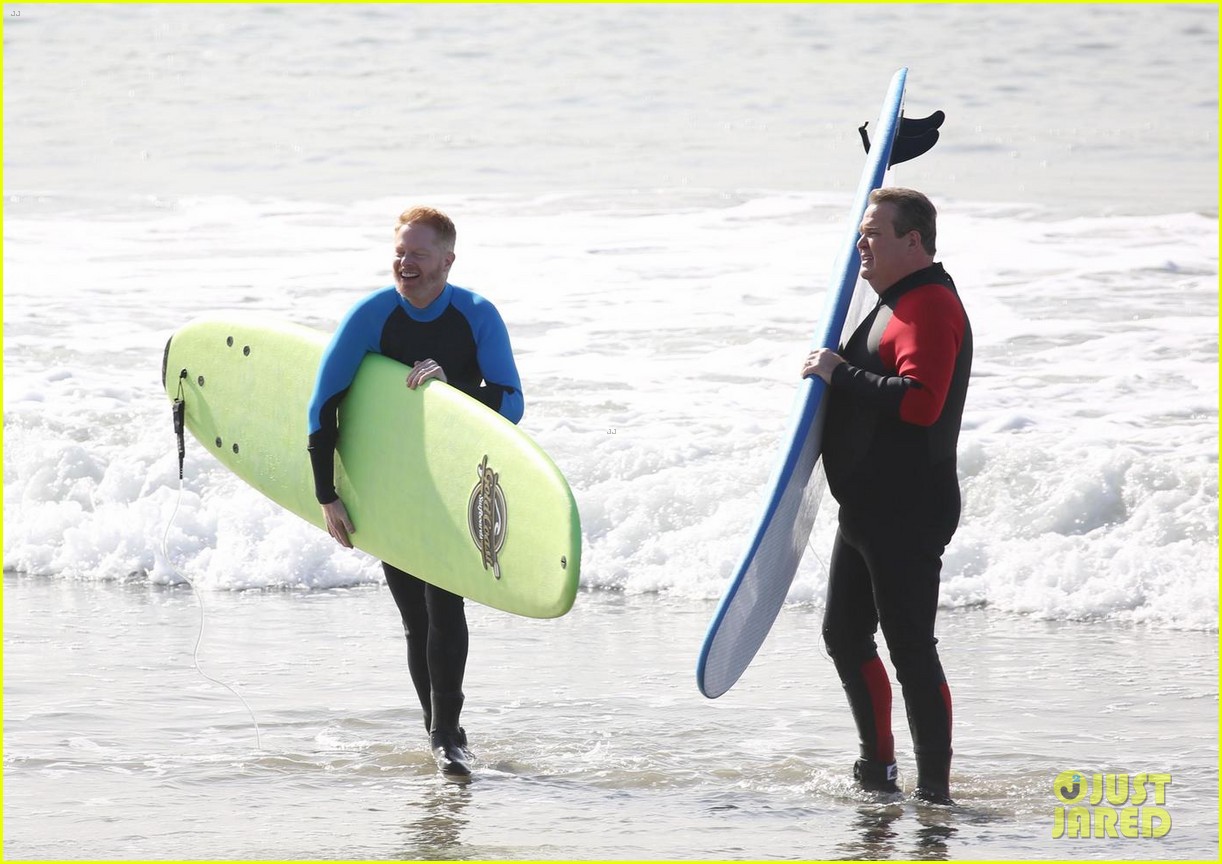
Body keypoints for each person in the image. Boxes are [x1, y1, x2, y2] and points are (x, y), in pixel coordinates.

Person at [306, 206, 524, 779]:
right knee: (414, 618)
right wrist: (327, 495)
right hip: (389, 483)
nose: (405, 262)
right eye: (400, 252)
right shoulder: (372, 316)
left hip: (455, 482)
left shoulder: (476, 316)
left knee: (444, 604)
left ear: (447, 261)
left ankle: (446, 737)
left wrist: (454, 390)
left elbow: (511, 401)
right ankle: (442, 732)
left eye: (419, 254)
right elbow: (322, 405)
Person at [801, 187, 971, 806]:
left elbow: (920, 402)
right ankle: (877, 770)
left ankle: (934, 792)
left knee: (910, 649)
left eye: (874, 232)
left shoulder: (928, 305)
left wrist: (837, 372)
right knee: (844, 635)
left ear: (914, 240)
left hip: (906, 509)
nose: (861, 243)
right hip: (867, 509)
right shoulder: (894, 303)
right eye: (861, 231)